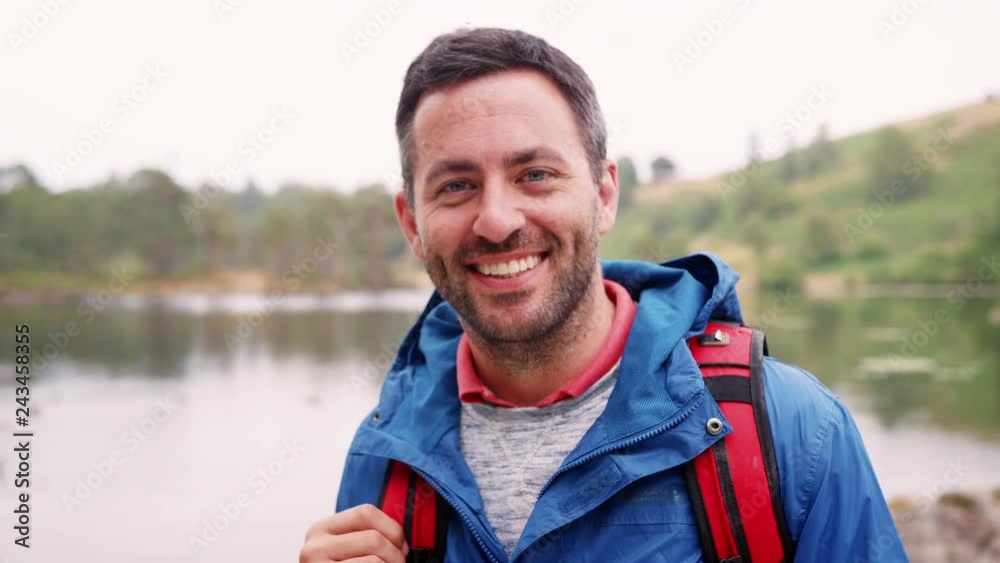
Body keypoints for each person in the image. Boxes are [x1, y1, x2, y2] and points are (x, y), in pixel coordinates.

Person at [300, 27, 908, 563]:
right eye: (456, 185)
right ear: (411, 223)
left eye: (534, 174)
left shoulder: (792, 429)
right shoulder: (386, 459)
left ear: (604, 193)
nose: (496, 219)